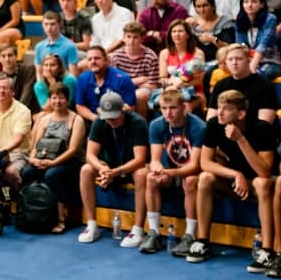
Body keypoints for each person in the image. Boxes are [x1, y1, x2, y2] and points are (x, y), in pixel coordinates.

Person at [187, 90, 274, 267]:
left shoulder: (261, 128)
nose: (220, 113)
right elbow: (205, 162)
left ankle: (267, 251)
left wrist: (240, 139)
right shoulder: (213, 125)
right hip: (234, 179)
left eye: (226, 109)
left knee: (261, 183)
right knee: (204, 178)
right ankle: (203, 241)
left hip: (259, 181)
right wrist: (235, 174)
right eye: (219, 108)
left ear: (240, 113)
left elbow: (264, 171)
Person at [138, 88, 204, 255]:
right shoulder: (156, 125)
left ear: (184, 107)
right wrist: (157, 168)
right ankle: (154, 232)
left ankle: (190, 234)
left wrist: (169, 173)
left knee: (190, 180)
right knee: (151, 177)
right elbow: (154, 159)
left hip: (190, 172)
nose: (168, 113)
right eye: (164, 108)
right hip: (169, 172)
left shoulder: (198, 127)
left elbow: (195, 165)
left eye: (173, 108)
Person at [77, 93, 149, 245]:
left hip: (131, 167)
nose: (111, 121)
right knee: (86, 170)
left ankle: (138, 229)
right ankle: (91, 225)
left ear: (123, 110)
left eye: (115, 117)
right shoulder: (100, 122)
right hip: (109, 167)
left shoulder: (138, 123)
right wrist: (102, 169)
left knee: (142, 174)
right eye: (107, 117)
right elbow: (90, 154)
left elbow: (140, 159)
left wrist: (115, 172)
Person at [20, 83, 86, 234]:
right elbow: (36, 146)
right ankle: (31, 212)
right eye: (54, 98)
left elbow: (73, 149)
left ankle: (61, 218)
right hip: (45, 159)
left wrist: (53, 163)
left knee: (52, 174)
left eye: (61, 98)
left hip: (70, 161)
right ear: (49, 100)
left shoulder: (77, 120)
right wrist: (33, 160)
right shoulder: (45, 119)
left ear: (67, 100)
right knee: (27, 172)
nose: (57, 101)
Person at [0, 75, 32, 187]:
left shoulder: (23, 111)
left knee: (10, 172)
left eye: (5, 88)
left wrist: (2, 151)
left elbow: (17, 140)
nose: (2, 91)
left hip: (18, 154)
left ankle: (16, 202)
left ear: (13, 92)